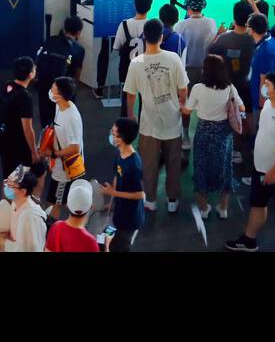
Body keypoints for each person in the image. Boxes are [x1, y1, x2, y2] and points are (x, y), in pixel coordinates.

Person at [225, 70, 275, 252]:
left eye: (267, 85)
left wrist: (274, 171)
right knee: (257, 204)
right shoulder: (269, 104)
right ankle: (249, 240)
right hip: (261, 168)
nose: (263, 87)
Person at [124, 17, 189, 215]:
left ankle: (150, 200)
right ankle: (172, 199)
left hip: (148, 124)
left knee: (149, 164)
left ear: (144, 37)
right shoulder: (173, 58)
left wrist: (130, 116)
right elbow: (183, 89)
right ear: (162, 37)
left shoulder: (136, 63)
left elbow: (131, 94)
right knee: (173, 162)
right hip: (172, 122)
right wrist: (180, 104)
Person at [182, 53, 241, 220]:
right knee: (224, 169)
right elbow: (241, 108)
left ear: (205, 71)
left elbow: (187, 110)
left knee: (201, 169)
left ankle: (203, 208)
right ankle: (223, 208)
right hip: (223, 133)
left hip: (204, 132)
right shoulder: (230, 88)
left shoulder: (198, 89)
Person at [100, 116, 144, 252]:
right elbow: (117, 177)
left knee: (120, 247)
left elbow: (140, 195)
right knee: (105, 241)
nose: (111, 136)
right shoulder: (119, 153)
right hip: (117, 214)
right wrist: (112, 203)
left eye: (114, 134)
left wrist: (113, 193)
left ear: (122, 138)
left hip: (129, 220)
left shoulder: (134, 165)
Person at [44, 76, 84, 219]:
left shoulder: (71, 117)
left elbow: (75, 148)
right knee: (61, 200)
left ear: (59, 95)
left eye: (53, 89)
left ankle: (53, 230)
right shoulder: (59, 106)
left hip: (65, 170)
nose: (50, 91)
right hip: (58, 166)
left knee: (57, 202)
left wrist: (55, 154)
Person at [33, 16, 85, 127]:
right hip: (64, 88)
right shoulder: (79, 49)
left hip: (44, 85)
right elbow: (77, 75)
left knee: (46, 120)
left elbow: (38, 63)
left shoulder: (49, 41)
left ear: (64, 29)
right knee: (63, 121)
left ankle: (45, 139)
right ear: (79, 32)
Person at [0, 57, 39, 179]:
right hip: (18, 143)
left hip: (4, 138)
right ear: (31, 74)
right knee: (18, 179)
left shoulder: (7, 86)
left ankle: (6, 198)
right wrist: (33, 151)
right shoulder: (25, 97)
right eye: (34, 67)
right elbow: (27, 128)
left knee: (8, 177)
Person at [3, 162, 49, 252]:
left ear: (23, 191)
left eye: (10, 186)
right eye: (6, 182)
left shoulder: (30, 217)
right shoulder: (14, 204)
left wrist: (1, 241)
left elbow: (32, 249)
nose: (6, 188)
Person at [175, 0, 217, 84]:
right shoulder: (211, 23)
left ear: (188, 6)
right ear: (203, 6)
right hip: (206, 69)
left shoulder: (180, 25)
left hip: (186, 69)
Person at [46, 179, 100, 252]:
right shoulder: (90, 242)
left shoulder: (56, 227)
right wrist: (107, 247)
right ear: (91, 206)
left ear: (67, 205)